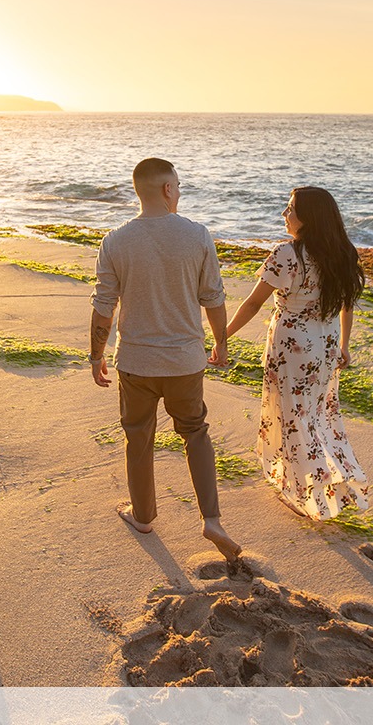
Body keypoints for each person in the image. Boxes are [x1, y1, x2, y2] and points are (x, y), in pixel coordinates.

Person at [90, 158, 241, 560]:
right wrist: (221, 344)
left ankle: (142, 516)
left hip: (136, 362)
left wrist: (95, 355)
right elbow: (214, 298)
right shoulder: (197, 235)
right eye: (178, 184)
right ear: (168, 189)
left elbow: (104, 306)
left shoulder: (115, 240)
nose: (179, 190)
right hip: (184, 362)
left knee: (138, 436)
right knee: (195, 432)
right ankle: (211, 519)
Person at [226, 186, 370, 519]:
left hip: (293, 346)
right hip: (326, 343)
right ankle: (335, 485)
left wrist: (222, 336)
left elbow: (252, 303)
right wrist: (344, 346)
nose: (284, 214)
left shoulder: (287, 254)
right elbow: (346, 304)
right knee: (320, 416)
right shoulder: (343, 251)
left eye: (290, 209)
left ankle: (308, 495)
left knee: (293, 420)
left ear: (308, 218)